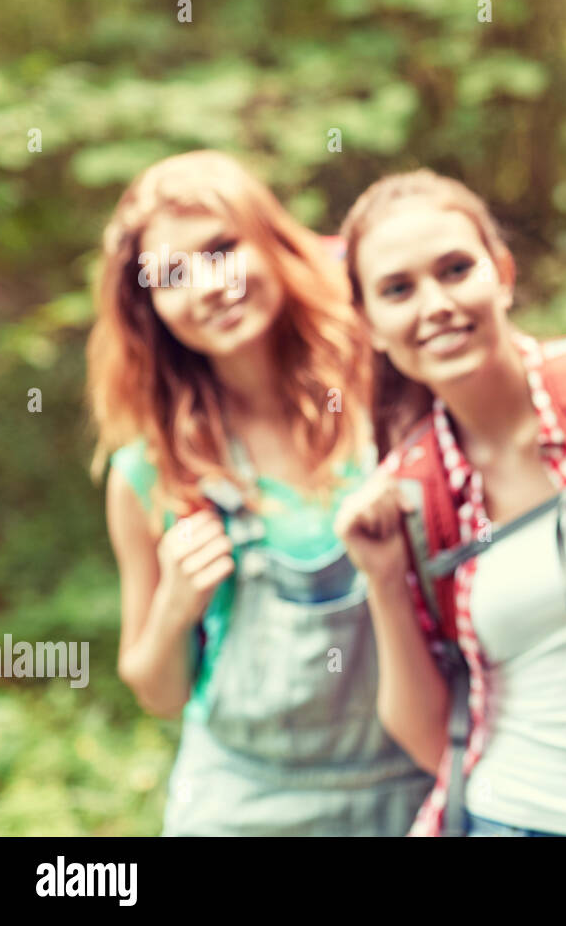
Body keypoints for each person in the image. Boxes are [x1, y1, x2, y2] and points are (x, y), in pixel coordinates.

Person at [334, 169, 566, 836]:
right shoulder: (409, 496)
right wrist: (382, 578)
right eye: (398, 289)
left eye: (454, 269)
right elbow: (424, 731)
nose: (435, 304)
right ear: (370, 324)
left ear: (500, 271)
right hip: (509, 815)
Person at [88, 150, 431, 835]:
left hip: (411, 785)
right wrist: (174, 610)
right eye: (174, 274)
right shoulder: (153, 473)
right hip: (243, 802)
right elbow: (158, 692)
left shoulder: (386, 397)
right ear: (149, 305)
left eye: (222, 248)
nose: (210, 286)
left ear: (271, 244)